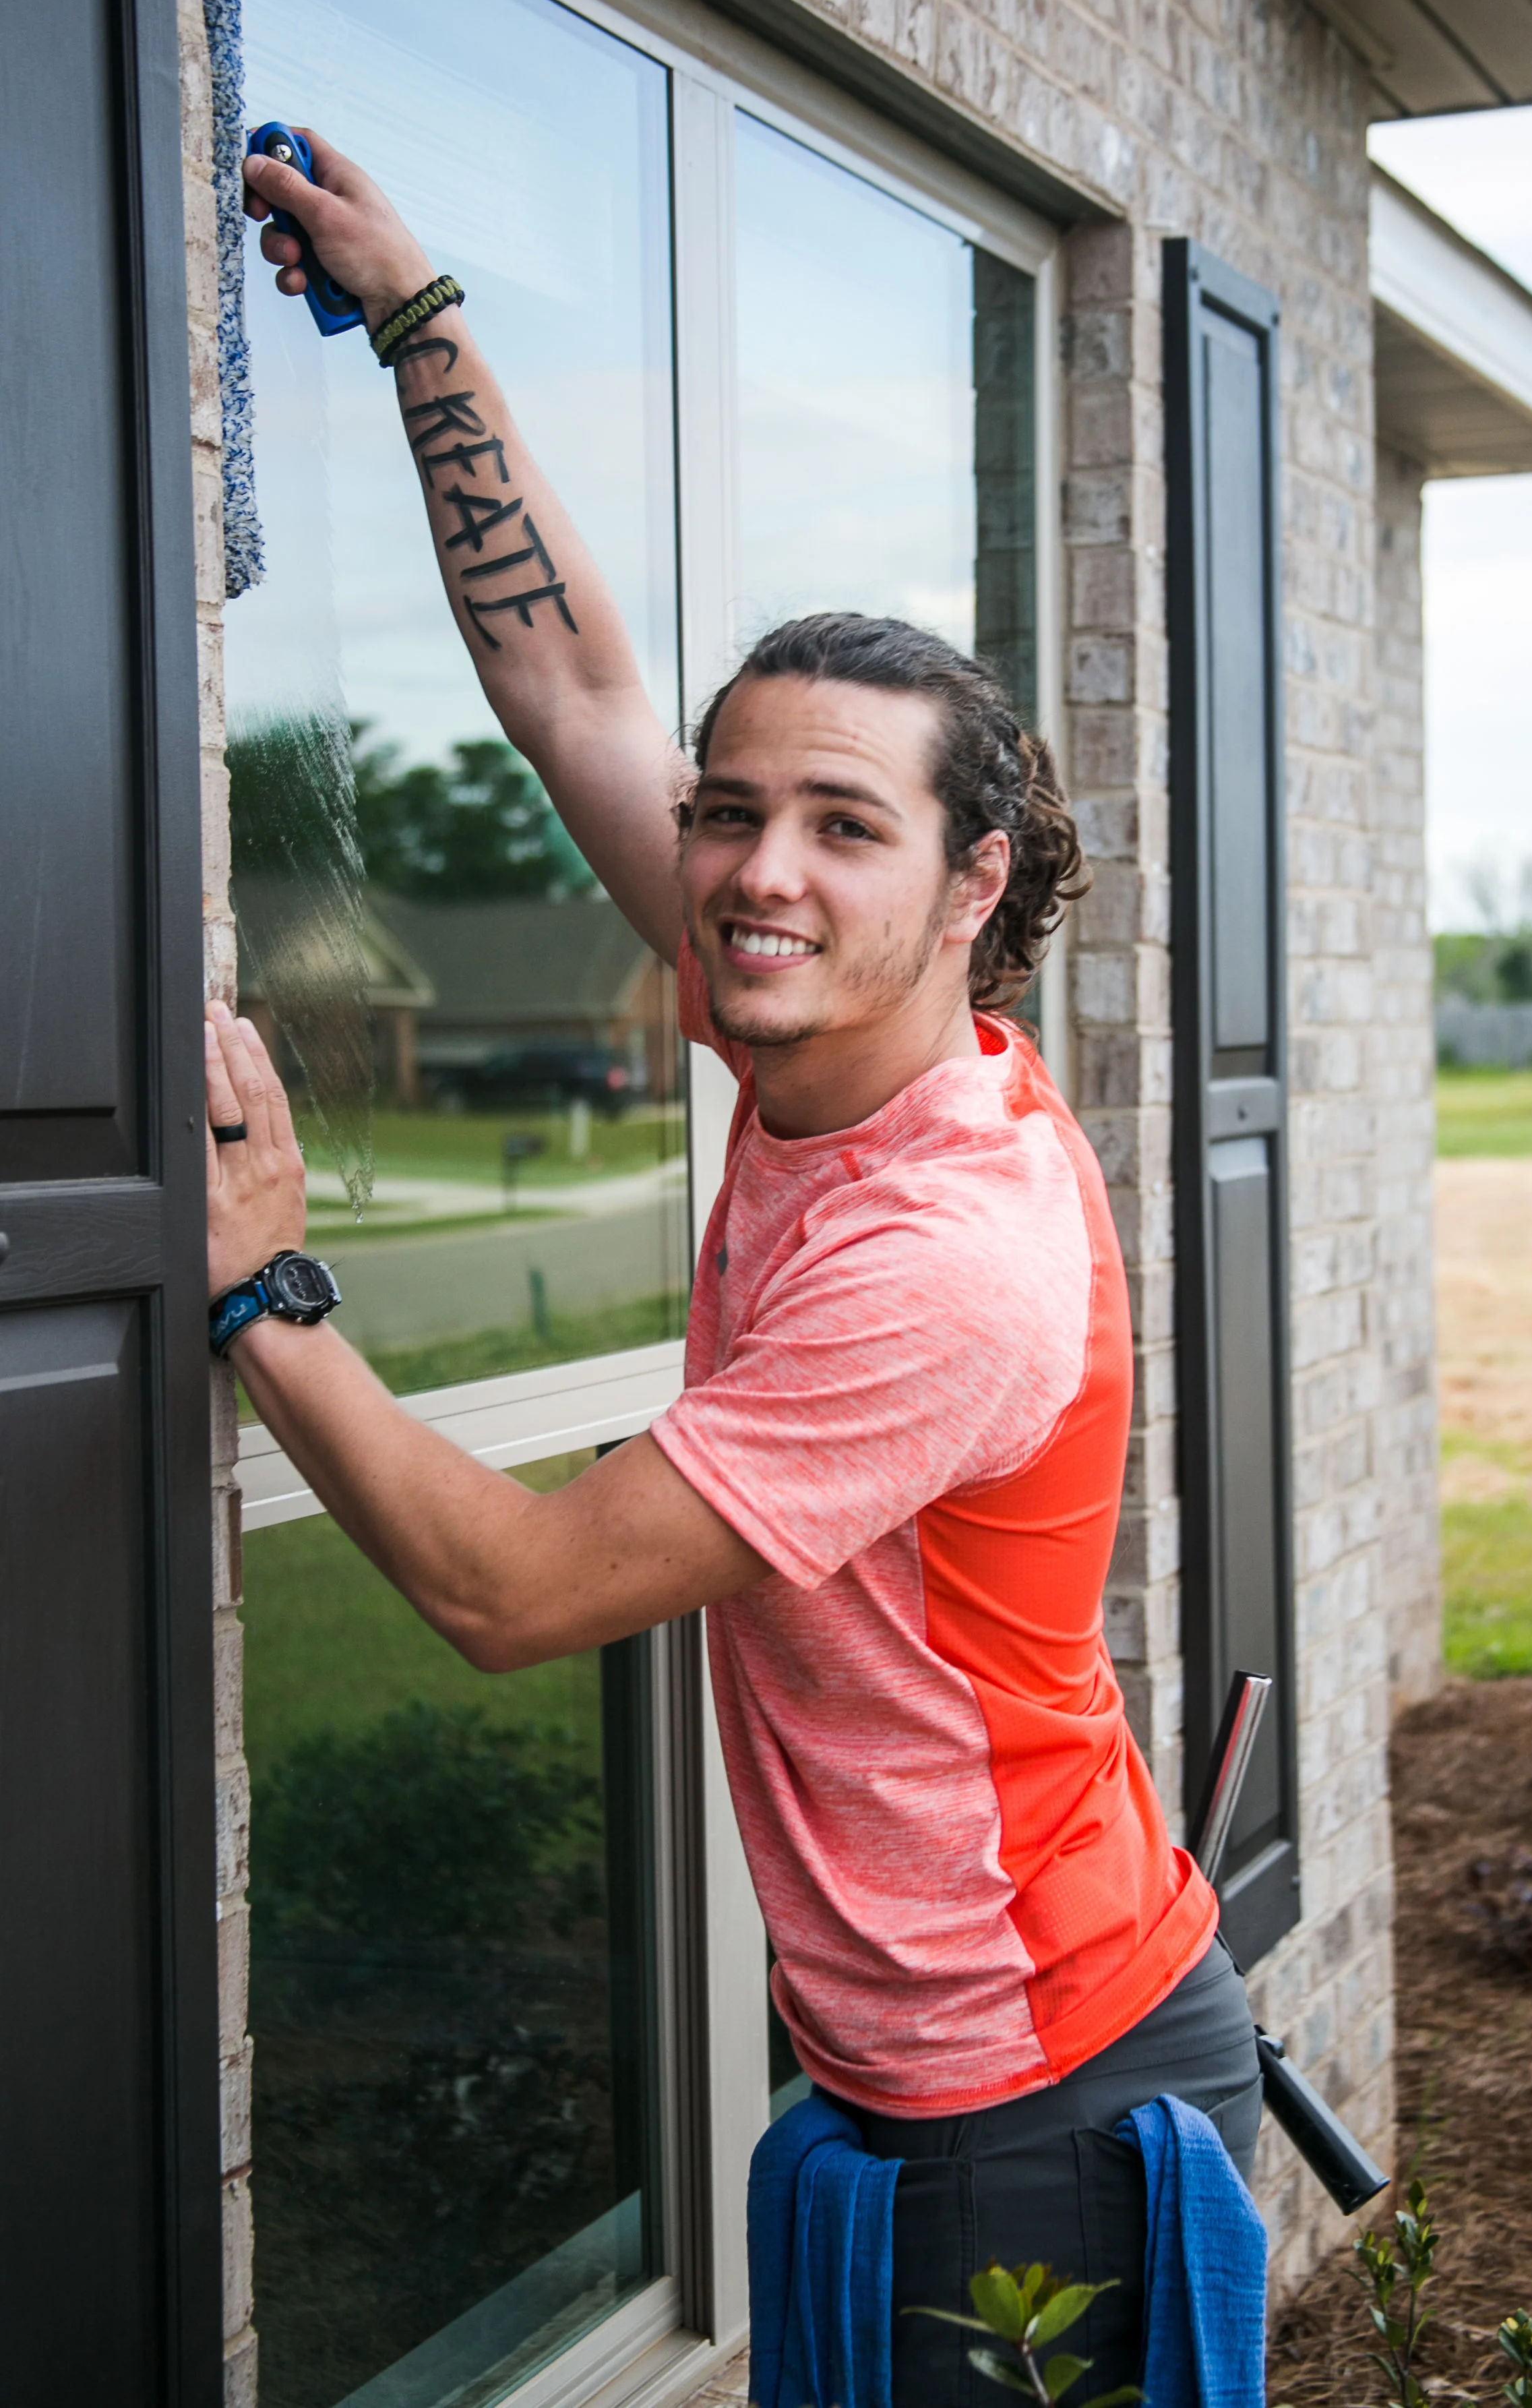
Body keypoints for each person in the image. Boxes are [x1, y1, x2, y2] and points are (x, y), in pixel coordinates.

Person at [212, 132, 1262, 2399]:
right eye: (729, 809)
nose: (756, 867)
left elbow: (509, 1589)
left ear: (972, 886)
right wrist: (418, 319)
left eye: (840, 823)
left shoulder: (942, 1257)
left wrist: (262, 1295)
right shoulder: (800, 1022)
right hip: (927, 2067)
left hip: (1041, 2097)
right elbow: (571, 686)